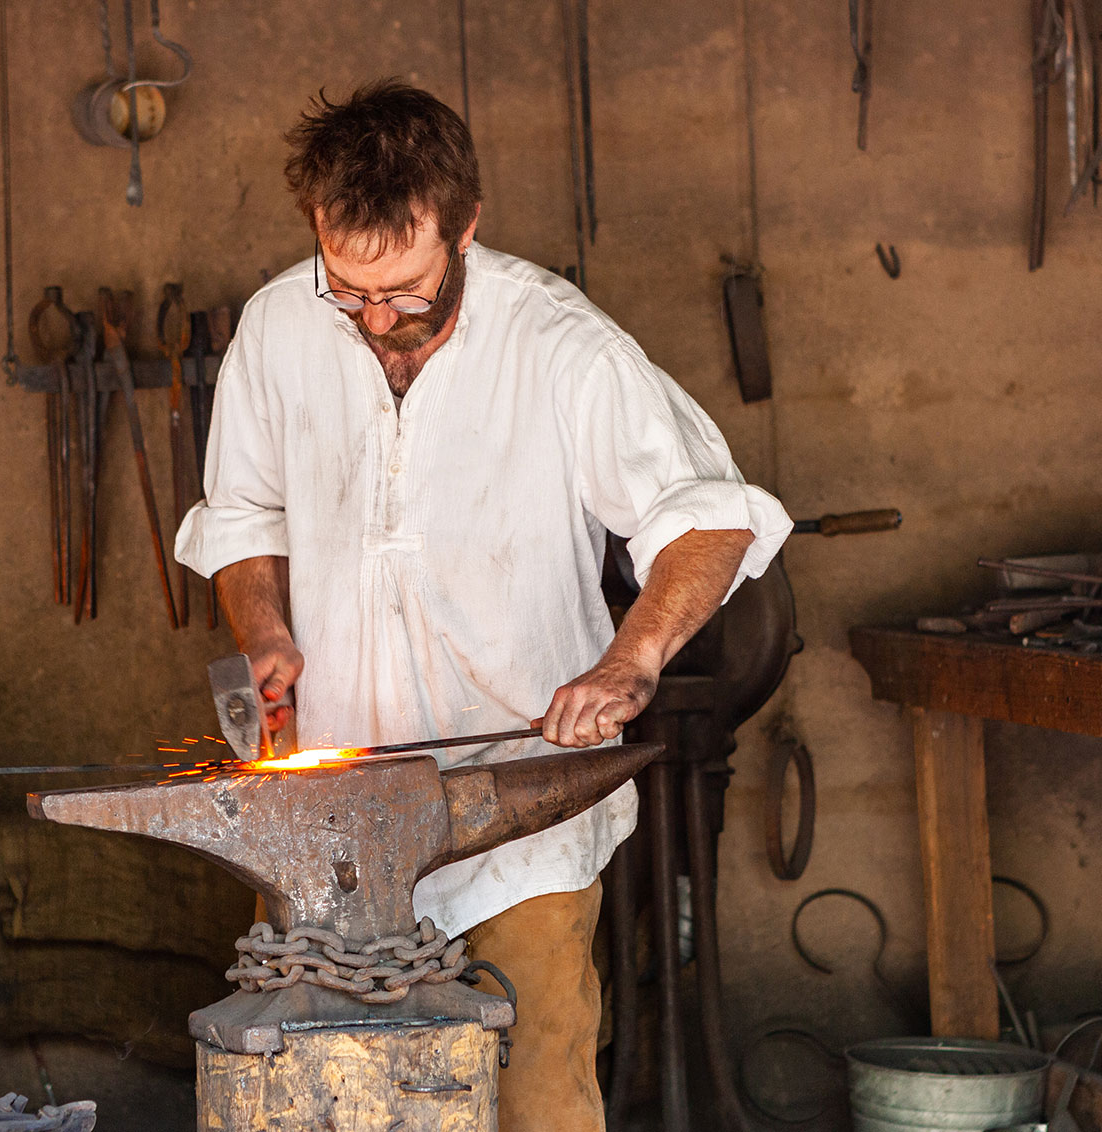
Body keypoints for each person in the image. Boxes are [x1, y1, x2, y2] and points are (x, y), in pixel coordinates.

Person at [172, 78, 791, 1131]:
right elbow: (244, 517)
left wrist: (630, 659)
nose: (377, 319)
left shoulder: (561, 344)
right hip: (331, 829)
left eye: (407, 291)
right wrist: (265, 631)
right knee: (328, 1103)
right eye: (347, 289)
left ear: (465, 229)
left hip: (518, 824)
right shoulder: (276, 329)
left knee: (538, 1093)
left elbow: (708, 518)